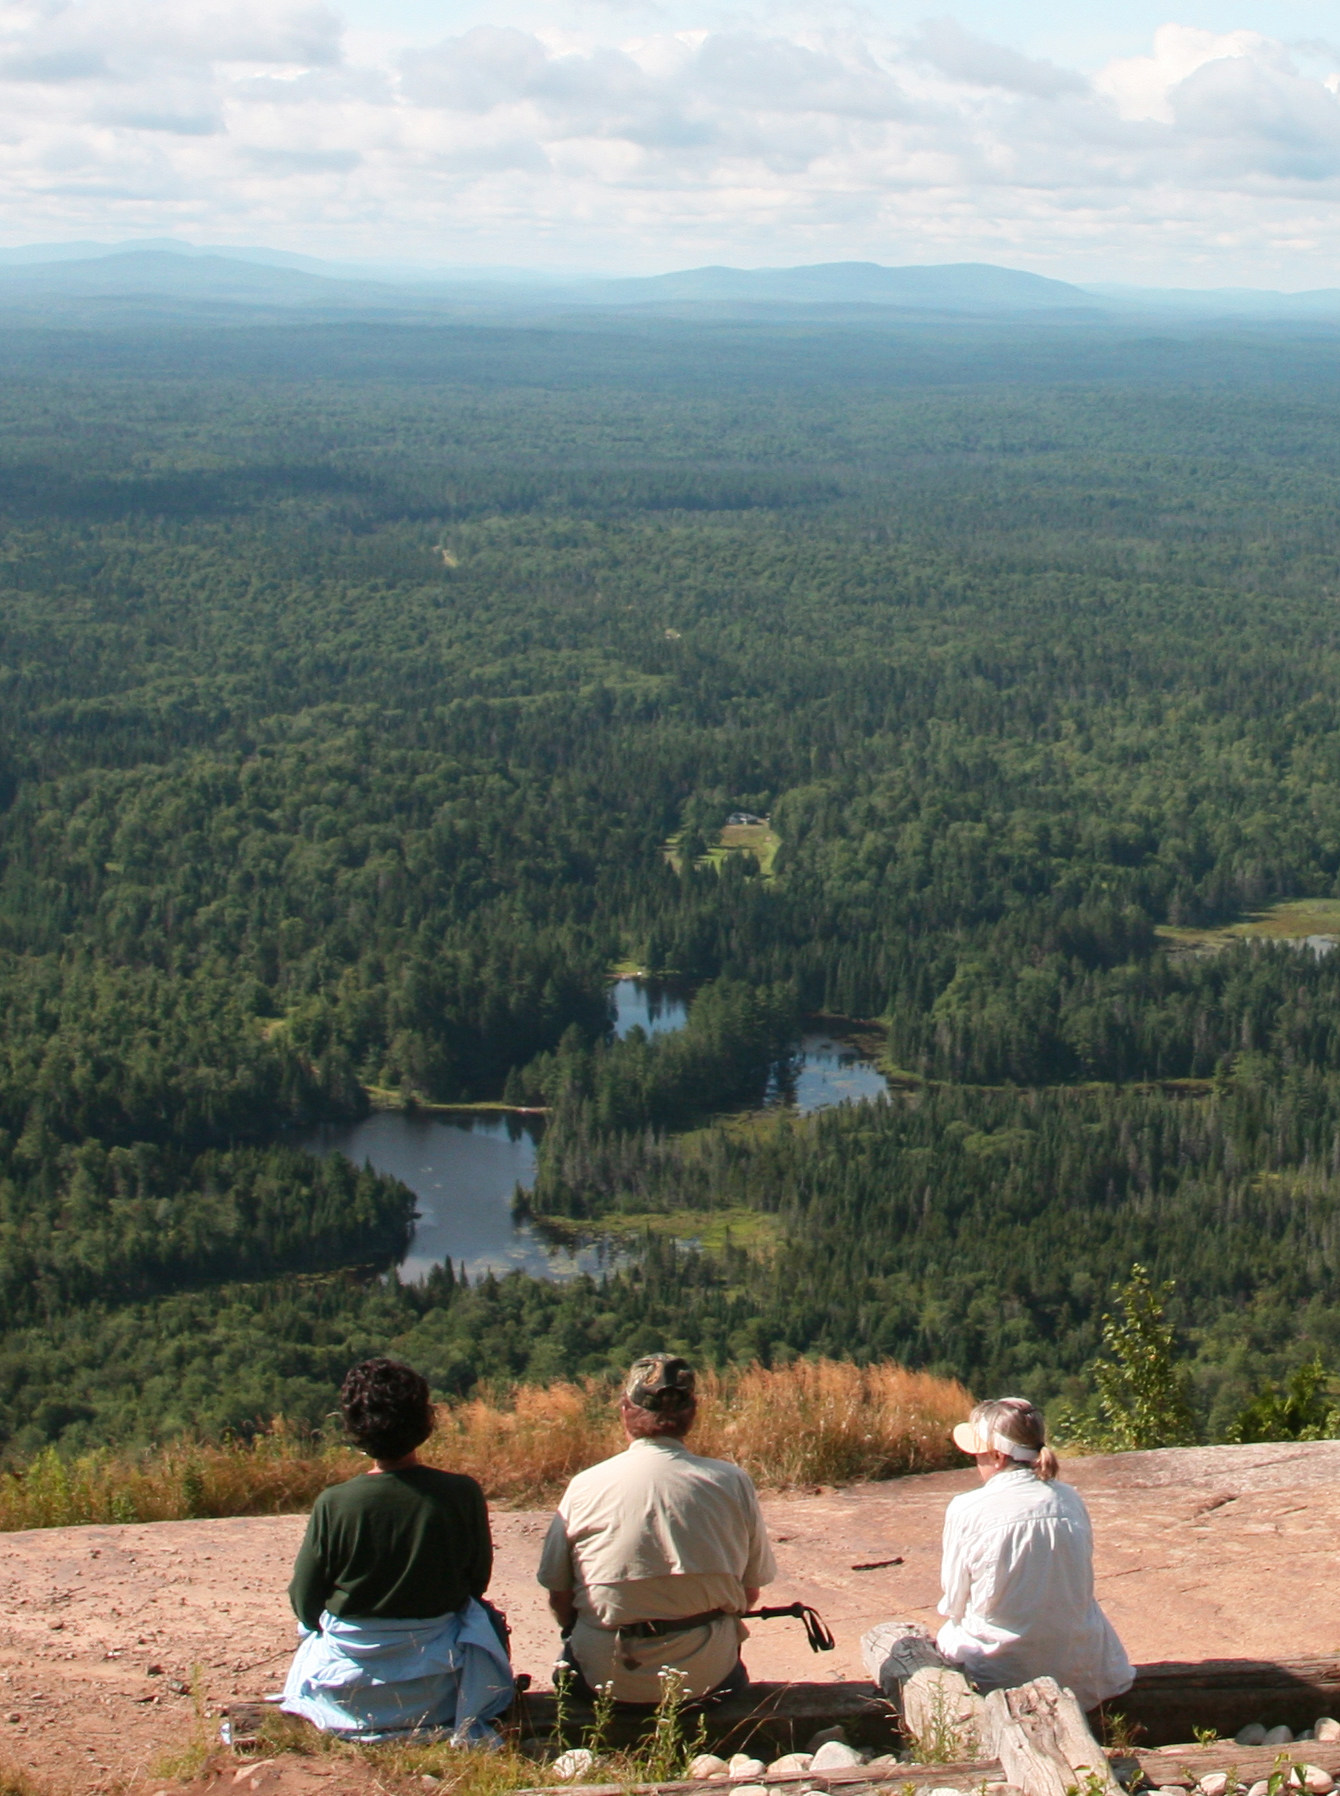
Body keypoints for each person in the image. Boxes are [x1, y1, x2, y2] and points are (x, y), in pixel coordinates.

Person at [281, 1357, 514, 1744]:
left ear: (353, 1425)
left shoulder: (335, 1503)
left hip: (347, 1699)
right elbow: (475, 1583)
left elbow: (305, 1602)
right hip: (443, 1691)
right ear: (425, 1420)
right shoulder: (461, 1493)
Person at [537, 1353, 777, 1706]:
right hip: (706, 1677)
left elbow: (559, 1596)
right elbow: (750, 1592)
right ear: (691, 1413)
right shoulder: (733, 1482)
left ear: (625, 1410)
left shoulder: (585, 1485)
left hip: (607, 1676)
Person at [936, 1396, 1133, 1713]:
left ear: (998, 1457)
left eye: (979, 1454)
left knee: (946, 1636)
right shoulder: (1069, 1498)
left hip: (999, 1673)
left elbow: (954, 1603)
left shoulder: (966, 1508)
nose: (976, 1462)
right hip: (1080, 1668)